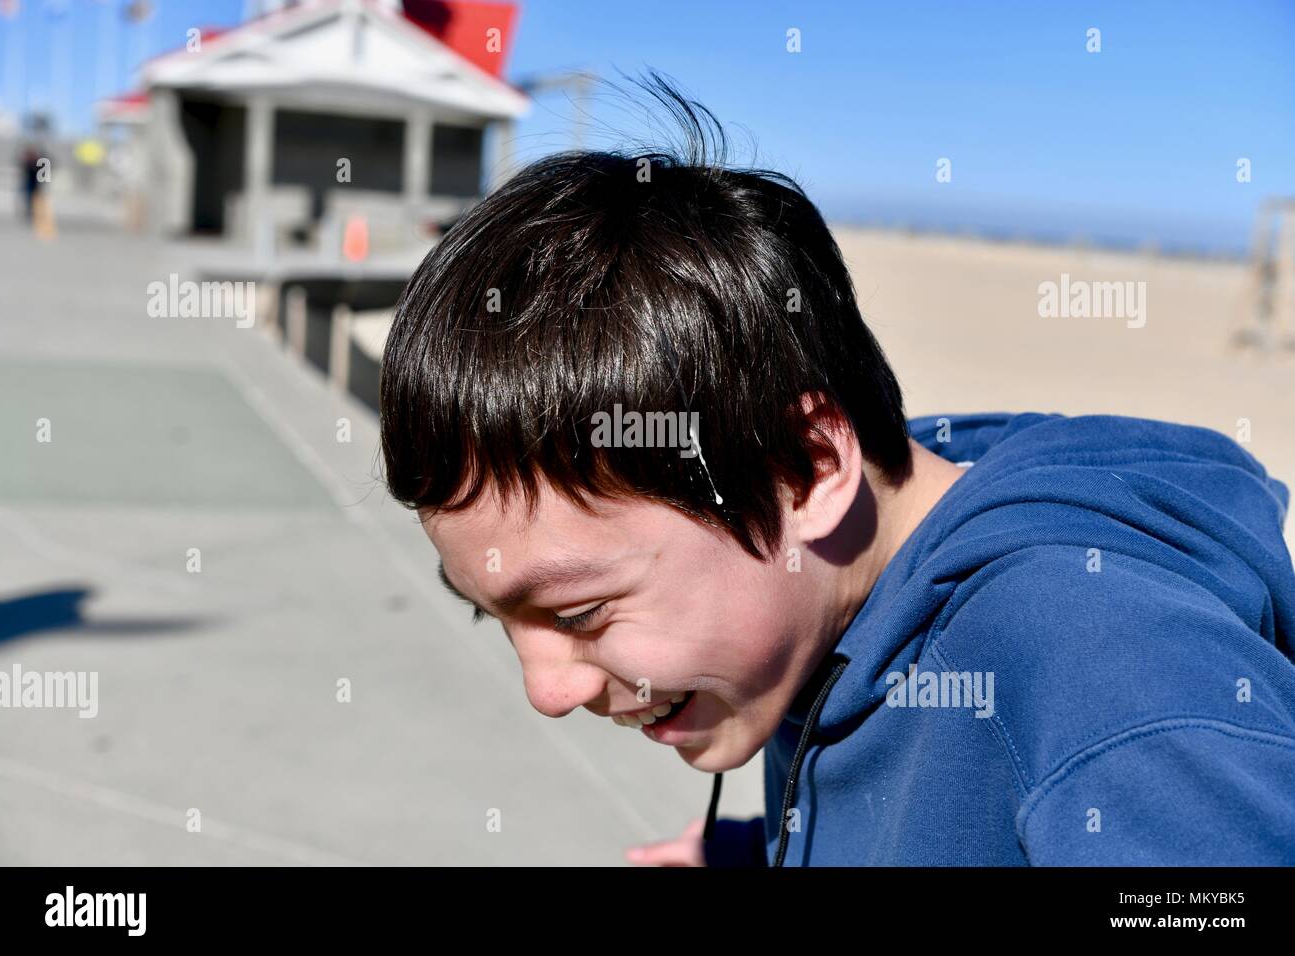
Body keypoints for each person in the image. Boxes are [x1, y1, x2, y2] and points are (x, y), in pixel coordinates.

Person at [378, 74, 1295, 865]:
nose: (546, 690)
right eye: (492, 612)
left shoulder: (1107, 672)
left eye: (579, 612)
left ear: (811, 468)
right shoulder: (826, 593)